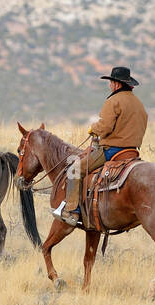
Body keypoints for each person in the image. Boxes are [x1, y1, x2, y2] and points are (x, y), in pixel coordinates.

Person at [54, 66, 147, 226]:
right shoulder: (139, 104)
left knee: (75, 169)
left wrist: (93, 129)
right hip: (132, 151)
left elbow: (105, 127)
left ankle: (72, 211)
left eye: (111, 82)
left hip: (112, 150)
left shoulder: (113, 101)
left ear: (117, 84)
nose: (110, 85)